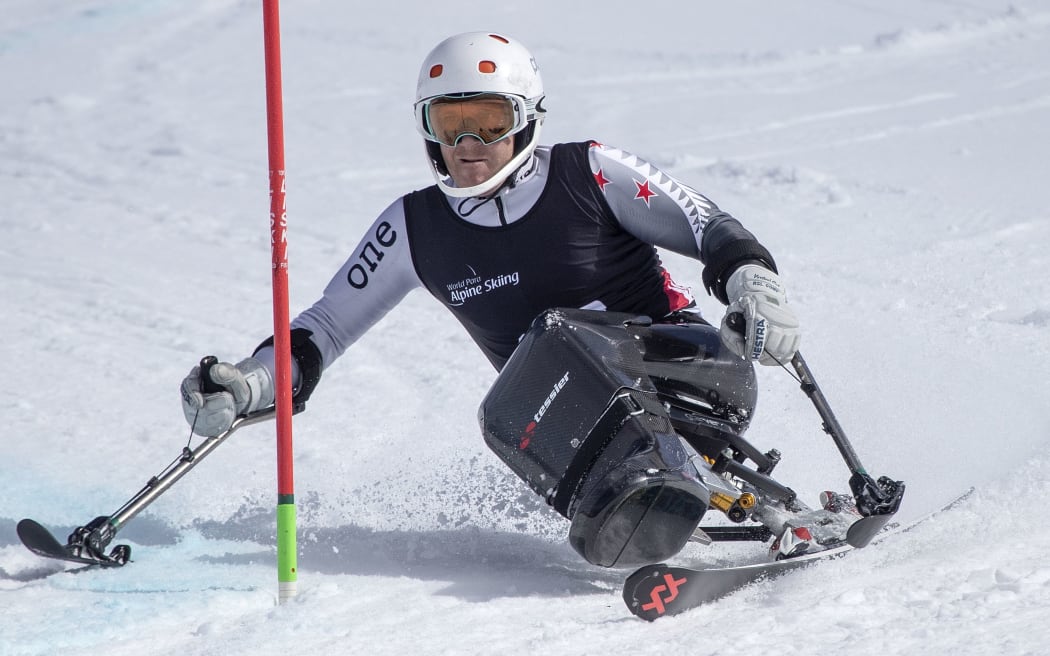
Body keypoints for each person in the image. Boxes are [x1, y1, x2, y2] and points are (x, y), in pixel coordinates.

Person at [180, 32, 801, 568]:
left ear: (526, 120)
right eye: (448, 125)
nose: (468, 142)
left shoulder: (590, 172)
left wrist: (752, 280)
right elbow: (324, 329)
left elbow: (705, 224)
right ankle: (634, 518)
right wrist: (253, 383)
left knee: (555, 334)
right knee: (504, 410)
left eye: (490, 122)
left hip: (694, 375)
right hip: (581, 427)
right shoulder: (413, 228)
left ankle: (737, 501)